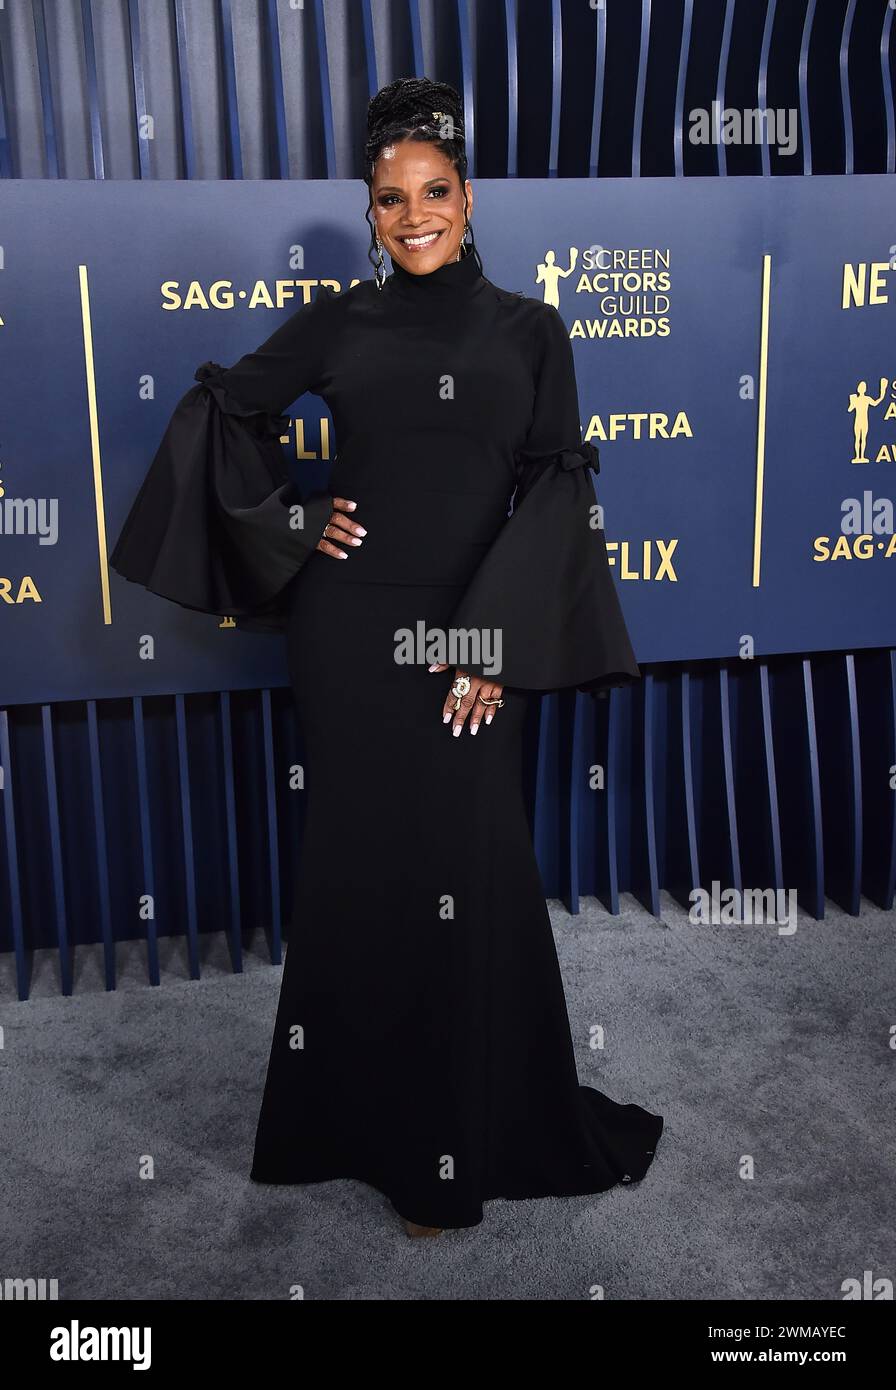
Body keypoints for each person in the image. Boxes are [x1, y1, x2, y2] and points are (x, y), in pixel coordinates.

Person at [110, 76, 663, 1237]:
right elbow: (221, 409)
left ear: (468, 197)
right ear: (368, 210)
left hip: (473, 644)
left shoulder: (530, 330)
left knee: (473, 873)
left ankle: (455, 1153)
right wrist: (296, 522)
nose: (412, 216)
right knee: (365, 882)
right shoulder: (339, 322)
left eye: (433, 192)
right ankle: (348, 1129)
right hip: (350, 639)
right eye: (387, 198)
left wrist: (493, 645)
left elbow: (553, 493)